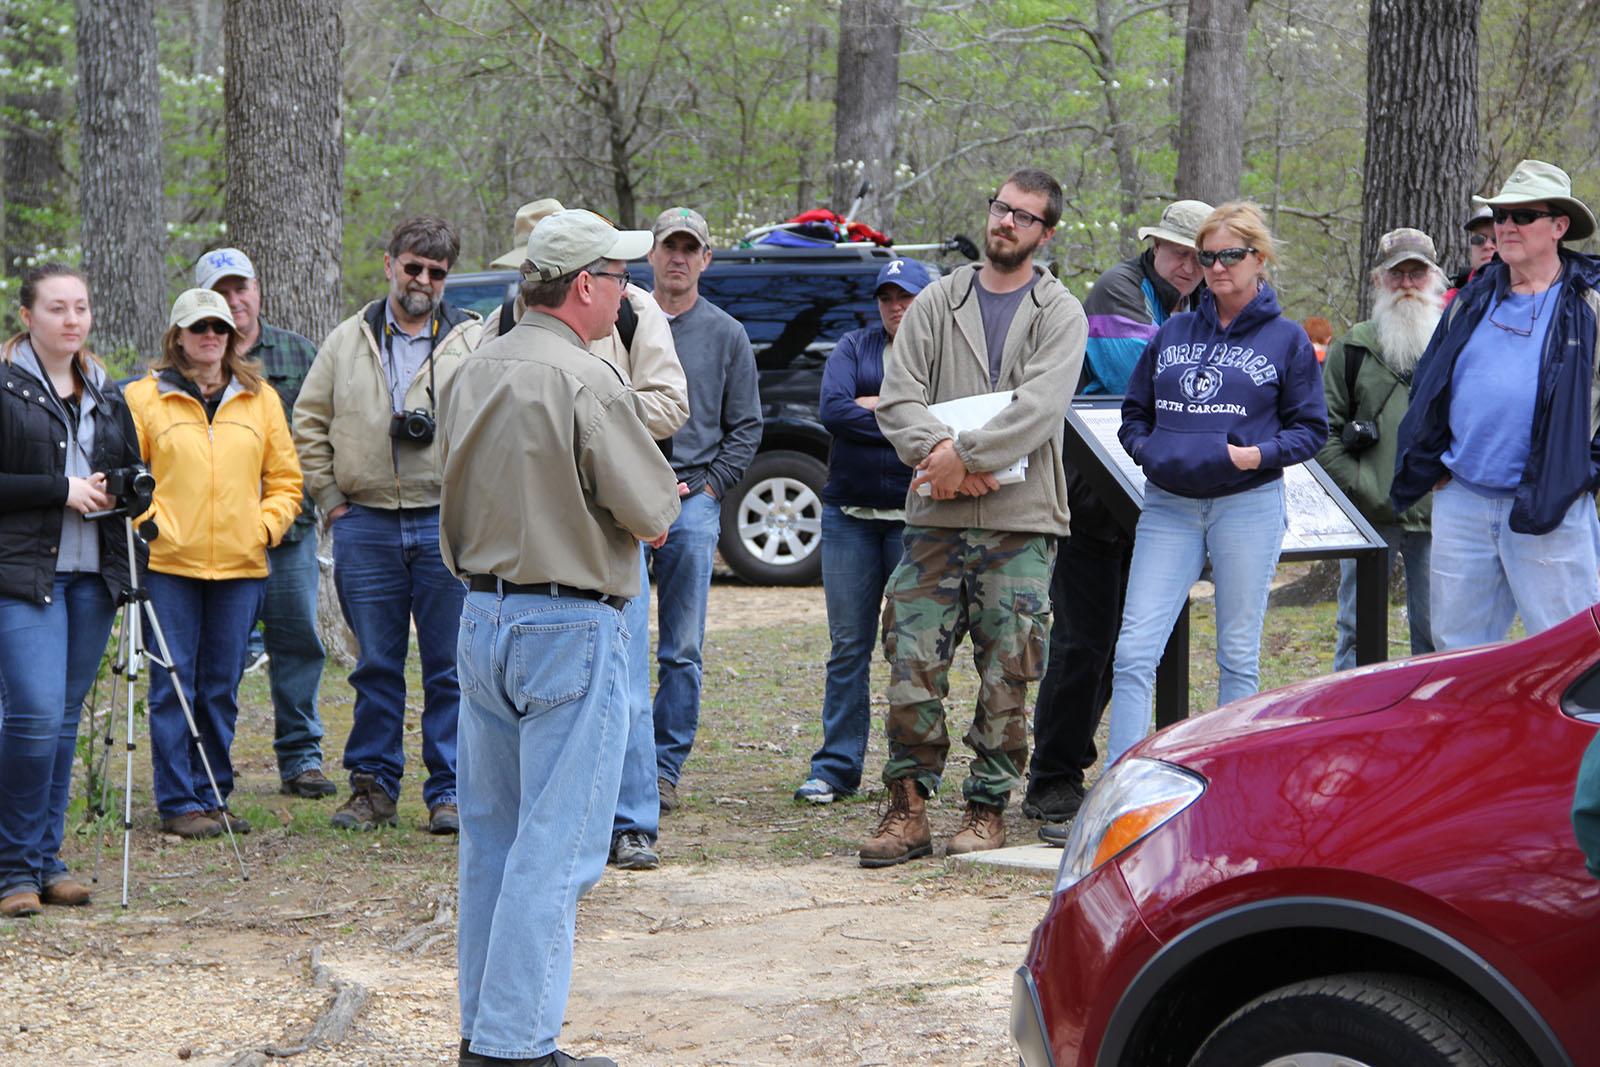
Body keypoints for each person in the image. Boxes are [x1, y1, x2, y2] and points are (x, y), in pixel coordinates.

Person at [440, 209, 680, 1067]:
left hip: (482, 612)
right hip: (570, 621)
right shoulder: (586, 378)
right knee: (559, 843)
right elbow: (653, 507)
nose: (629, 291)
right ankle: (517, 1046)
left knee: (493, 838)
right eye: (620, 277)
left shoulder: (473, 365)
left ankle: (485, 1029)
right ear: (585, 285)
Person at [860, 167, 1087, 866]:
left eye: (1023, 216)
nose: (1005, 223)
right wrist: (946, 459)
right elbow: (897, 399)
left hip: (1021, 522)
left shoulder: (1060, 313)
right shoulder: (933, 302)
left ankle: (988, 807)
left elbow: (1040, 407)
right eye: (999, 208)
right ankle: (907, 808)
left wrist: (967, 455)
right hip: (934, 518)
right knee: (911, 660)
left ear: (1044, 233)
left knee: (1008, 669)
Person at [480, 197, 690, 871]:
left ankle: (631, 820)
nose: (624, 282)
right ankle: (556, 828)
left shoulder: (633, 312)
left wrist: (594, 412)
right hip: (520, 555)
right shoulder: (494, 334)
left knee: (625, 686)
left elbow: (669, 402)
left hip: (599, 530)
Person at [1106, 202, 1327, 765]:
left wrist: (1257, 456)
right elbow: (1133, 413)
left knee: (1236, 654)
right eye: (1208, 256)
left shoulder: (1287, 339)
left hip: (1245, 506)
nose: (1217, 266)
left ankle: (1230, 779)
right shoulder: (1174, 329)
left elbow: (1311, 429)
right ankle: (1122, 781)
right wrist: (1150, 452)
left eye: (1231, 254)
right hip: (1169, 506)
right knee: (1134, 652)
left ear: (1259, 259)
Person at [1023, 198, 1209, 830]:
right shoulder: (1118, 288)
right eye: (1179, 250)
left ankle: (1086, 760)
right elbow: (1140, 376)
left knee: (1131, 646)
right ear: (1155, 246)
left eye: (1200, 255)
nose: (1188, 264)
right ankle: (1051, 780)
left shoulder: (1194, 303)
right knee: (1083, 642)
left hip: (1154, 504)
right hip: (1092, 499)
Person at [294, 216, 482, 834]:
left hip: (443, 525)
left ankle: (450, 791)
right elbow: (309, 423)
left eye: (436, 272)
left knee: (450, 667)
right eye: (413, 268)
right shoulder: (347, 340)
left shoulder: (471, 340)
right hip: (365, 522)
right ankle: (372, 787)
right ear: (389, 264)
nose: (423, 281)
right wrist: (331, 499)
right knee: (374, 663)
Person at [1393, 159, 1600, 648]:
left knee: (1571, 658)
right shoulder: (1472, 297)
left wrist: (1583, 470)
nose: (1506, 227)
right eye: (1500, 216)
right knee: (1458, 656)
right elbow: (1431, 382)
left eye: (1522, 216)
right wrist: (1431, 458)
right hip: (1463, 498)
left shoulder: (1589, 303)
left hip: (1551, 505)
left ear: (1559, 226)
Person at [126, 289, 303, 838]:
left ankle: (213, 793)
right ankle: (178, 802)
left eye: (220, 328)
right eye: (198, 327)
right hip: (168, 567)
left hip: (240, 567)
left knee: (221, 685)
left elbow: (286, 482)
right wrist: (150, 528)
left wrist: (264, 528)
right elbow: (127, 478)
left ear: (232, 337)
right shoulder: (141, 398)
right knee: (172, 686)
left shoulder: (261, 399)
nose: (210, 337)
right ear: (177, 335)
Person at [0, 265, 145, 917]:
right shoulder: (4, 384)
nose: (71, 319)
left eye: (80, 307)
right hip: (23, 574)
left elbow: (132, 464)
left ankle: (45, 860)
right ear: (27, 316)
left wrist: (123, 484)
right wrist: (60, 489)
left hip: (95, 573)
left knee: (61, 721)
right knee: (31, 713)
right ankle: (11, 869)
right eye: (56, 307)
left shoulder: (106, 388)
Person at [195, 247, 335, 800]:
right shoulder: (195, 361)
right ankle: (208, 763)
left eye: (242, 288)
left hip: (290, 533)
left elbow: (324, 433)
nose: (235, 301)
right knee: (219, 651)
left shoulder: (300, 355)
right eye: (223, 291)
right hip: (214, 540)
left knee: (298, 640)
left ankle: (301, 756)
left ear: (257, 291)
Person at [792, 257, 933, 805]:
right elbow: (832, 411)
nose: (896, 306)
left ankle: (913, 770)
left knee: (914, 648)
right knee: (849, 646)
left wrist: (876, 411)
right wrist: (904, 420)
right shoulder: (854, 347)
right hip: (848, 516)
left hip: (915, 520)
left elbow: (947, 420)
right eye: (887, 297)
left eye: (906, 296)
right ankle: (835, 767)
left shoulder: (939, 351)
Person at [645, 206, 762, 812]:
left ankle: (664, 767)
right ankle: (620, 760)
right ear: (652, 254)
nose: (679, 258)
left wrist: (713, 488)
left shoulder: (726, 334)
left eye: (691, 248)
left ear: (706, 259)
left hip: (691, 503)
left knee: (681, 647)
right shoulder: (621, 322)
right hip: (621, 502)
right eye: (670, 246)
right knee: (609, 637)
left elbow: (746, 427)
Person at [1319, 228, 1443, 670]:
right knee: (1355, 628)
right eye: (1397, 274)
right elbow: (1323, 430)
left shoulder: (1455, 342)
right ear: (1378, 280)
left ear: (1434, 278)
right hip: (1369, 515)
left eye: (1417, 273)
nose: (1407, 283)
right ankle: (1346, 717)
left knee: (1435, 631)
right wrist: (1359, 486)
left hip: (1438, 514)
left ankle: (1432, 723)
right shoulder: (1352, 347)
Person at [1443, 203, 1497, 305]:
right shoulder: (1450, 302)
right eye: (1479, 239)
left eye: (1497, 239)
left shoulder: (1527, 296)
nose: (1487, 245)